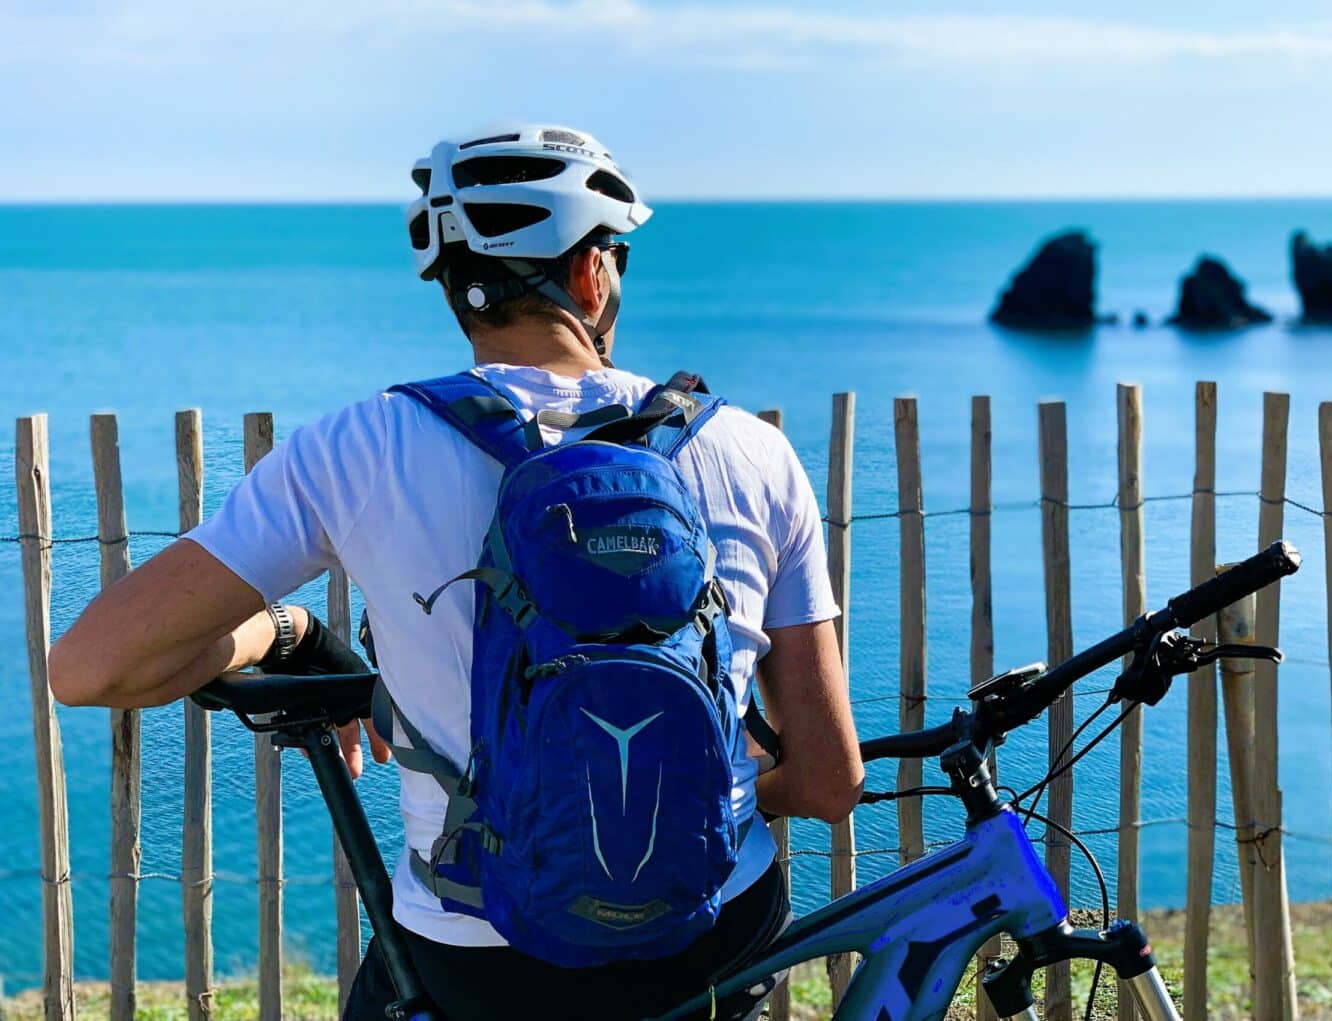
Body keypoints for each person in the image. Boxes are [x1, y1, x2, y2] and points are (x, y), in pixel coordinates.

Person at [48, 125, 864, 1019]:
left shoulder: (360, 450)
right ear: (592, 273)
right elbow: (829, 780)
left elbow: (93, 667)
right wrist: (687, 812)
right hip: (711, 939)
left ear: (455, 288)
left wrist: (279, 628)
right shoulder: (752, 452)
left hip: (484, 954)